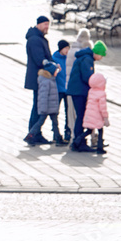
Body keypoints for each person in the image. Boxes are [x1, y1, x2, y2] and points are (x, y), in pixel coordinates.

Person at [67, 40, 107, 152]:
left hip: (77, 90)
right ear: (97, 53)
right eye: (101, 55)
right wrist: (98, 83)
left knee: (81, 116)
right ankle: (79, 142)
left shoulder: (86, 57)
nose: (101, 58)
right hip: (79, 91)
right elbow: (88, 78)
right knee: (81, 116)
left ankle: (78, 141)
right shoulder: (87, 59)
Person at [23, 16, 52, 144]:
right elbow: (40, 59)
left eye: (48, 25)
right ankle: (32, 133)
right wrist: (52, 66)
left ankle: (36, 133)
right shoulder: (35, 40)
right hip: (38, 79)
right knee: (38, 107)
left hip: (40, 78)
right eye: (45, 24)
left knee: (39, 106)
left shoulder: (39, 38)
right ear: (39, 25)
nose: (47, 27)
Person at [65, 29, 92, 137]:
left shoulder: (72, 49)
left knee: (71, 114)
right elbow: (85, 74)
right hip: (79, 87)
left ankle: (70, 135)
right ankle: (77, 138)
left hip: (69, 85)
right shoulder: (83, 53)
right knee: (79, 115)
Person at [29, 62, 64, 145]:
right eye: (56, 71)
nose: (57, 73)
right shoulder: (46, 82)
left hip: (52, 107)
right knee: (40, 122)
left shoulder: (50, 79)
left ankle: (58, 138)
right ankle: (30, 135)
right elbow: (43, 97)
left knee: (55, 123)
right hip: (47, 108)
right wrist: (44, 109)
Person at [78, 72, 110, 154]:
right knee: (100, 131)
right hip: (97, 116)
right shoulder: (102, 94)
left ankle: (76, 141)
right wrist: (105, 117)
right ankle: (100, 147)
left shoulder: (91, 91)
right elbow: (103, 107)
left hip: (89, 114)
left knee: (88, 130)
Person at [52, 40, 72, 142]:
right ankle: (55, 133)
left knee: (68, 112)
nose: (67, 50)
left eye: (68, 48)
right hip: (58, 89)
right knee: (55, 111)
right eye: (66, 48)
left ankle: (67, 132)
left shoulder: (69, 59)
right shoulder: (54, 58)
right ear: (61, 48)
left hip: (67, 89)